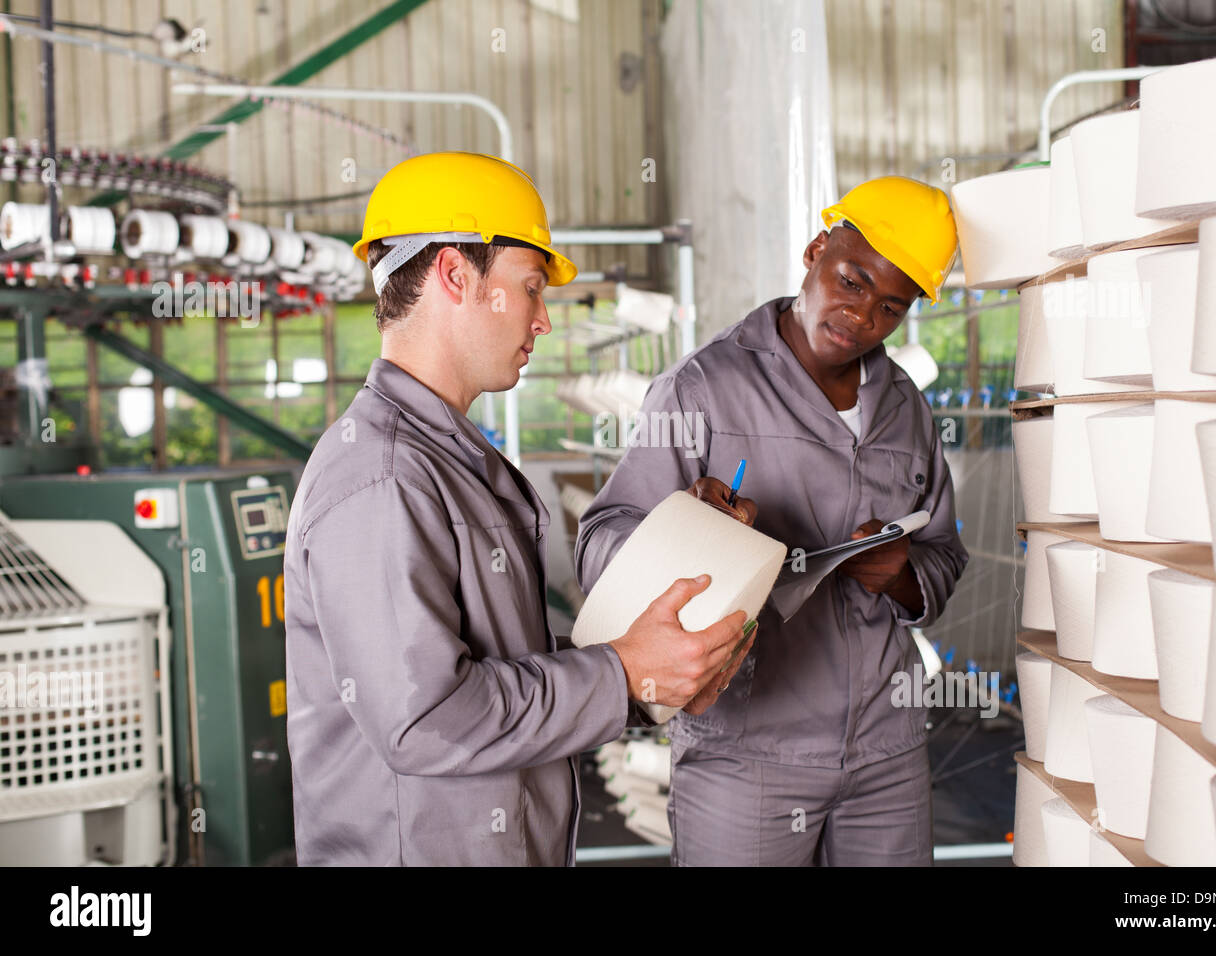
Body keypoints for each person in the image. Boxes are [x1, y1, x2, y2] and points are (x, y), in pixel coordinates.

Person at [283, 152, 751, 866]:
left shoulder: (448, 458)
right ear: (453, 274)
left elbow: (499, 668)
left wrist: (648, 675)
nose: (543, 321)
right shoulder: (381, 477)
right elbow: (427, 720)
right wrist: (621, 673)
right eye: (531, 289)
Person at [576, 176, 969, 866]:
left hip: (886, 750)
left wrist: (900, 576)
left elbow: (943, 552)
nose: (860, 315)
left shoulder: (904, 405)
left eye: (889, 307)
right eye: (850, 280)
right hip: (748, 753)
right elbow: (602, 539)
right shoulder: (704, 386)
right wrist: (688, 531)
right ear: (817, 250)